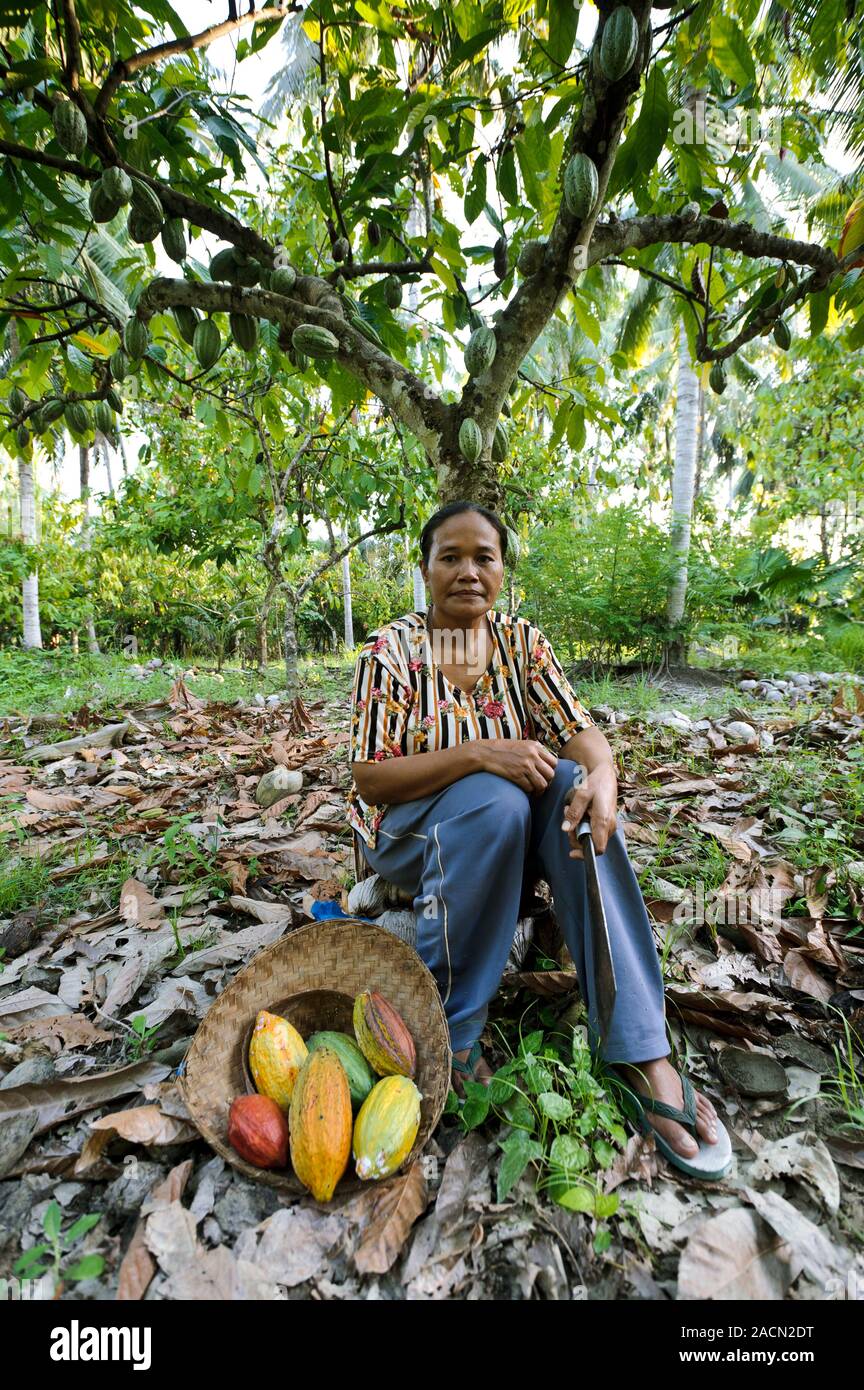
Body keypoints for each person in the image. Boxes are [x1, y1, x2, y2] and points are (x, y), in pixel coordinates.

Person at [345, 501, 731, 1180]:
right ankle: (455, 1031)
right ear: (426, 569)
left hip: (504, 829)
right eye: (451, 557)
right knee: (496, 794)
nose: (468, 571)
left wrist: (604, 775)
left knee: (573, 788)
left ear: (502, 570)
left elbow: (579, 732)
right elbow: (371, 777)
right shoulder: (392, 650)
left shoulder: (522, 643)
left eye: (484, 557)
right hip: (408, 830)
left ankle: (642, 1048)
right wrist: (479, 753)